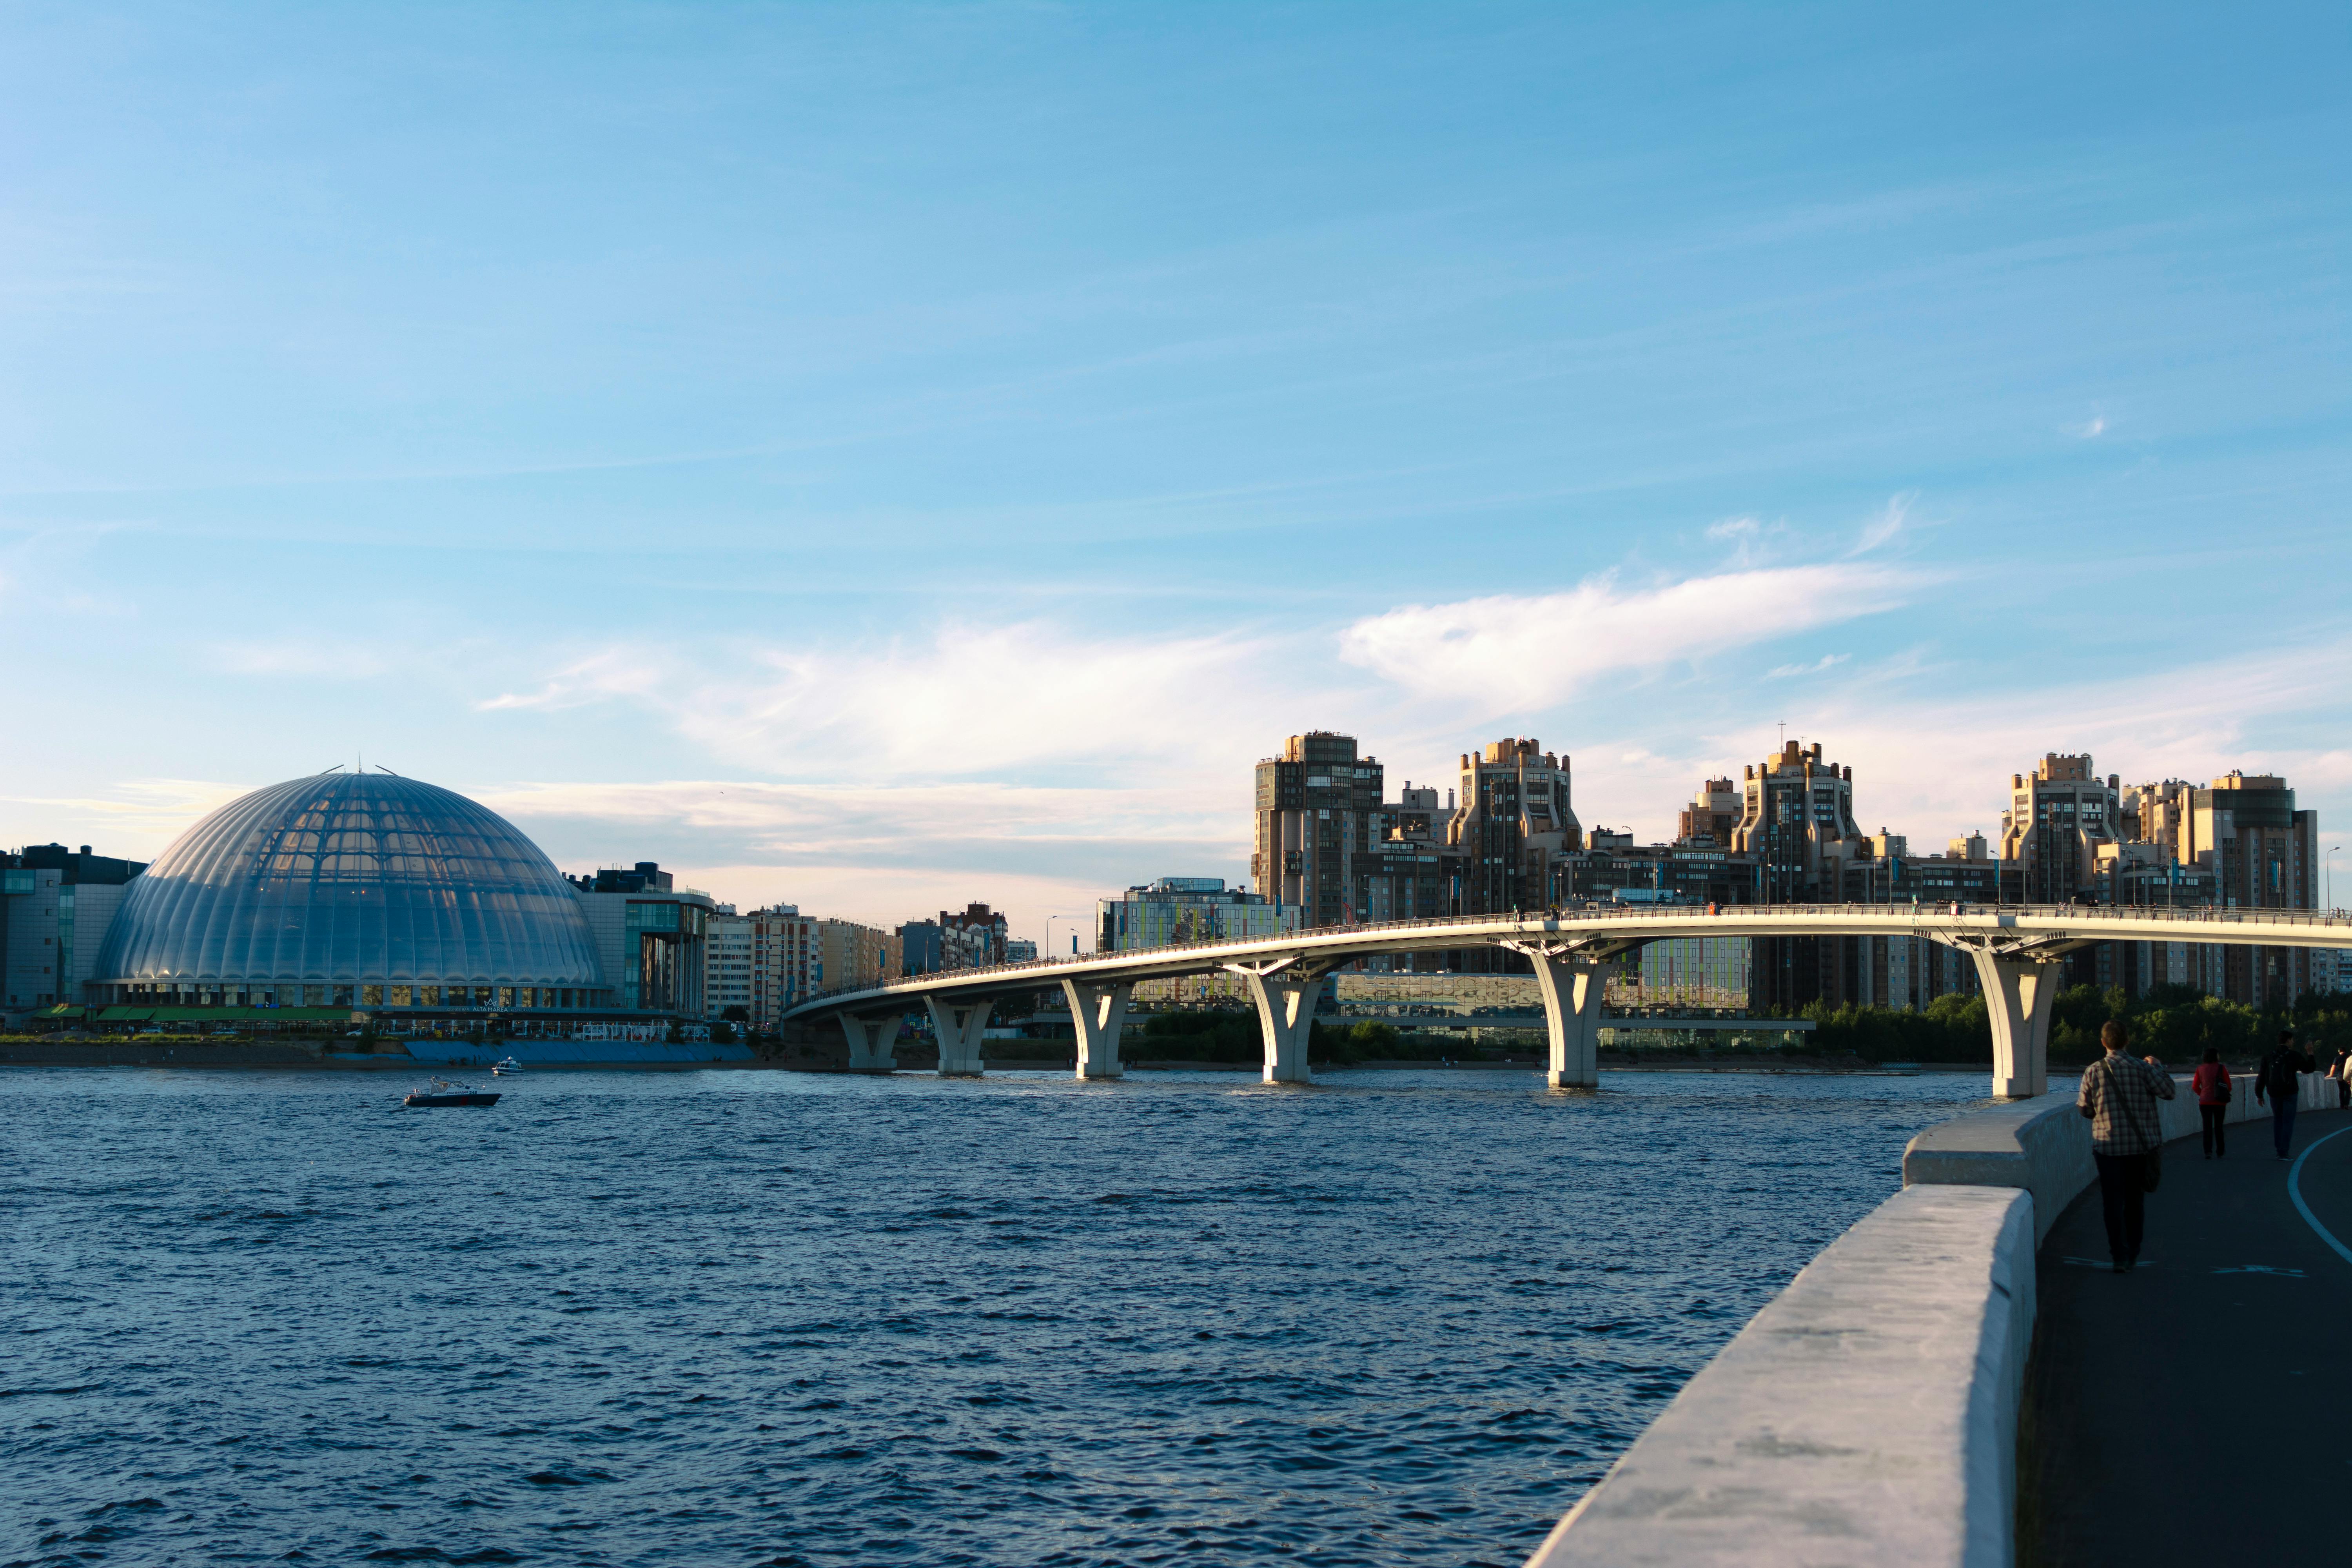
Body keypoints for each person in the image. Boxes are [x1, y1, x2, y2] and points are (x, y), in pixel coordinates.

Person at [2077, 1018, 2175, 1273]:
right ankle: (2133, 1252)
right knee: (2134, 1202)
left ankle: (2117, 1256)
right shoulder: (2142, 1068)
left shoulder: (2093, 1071)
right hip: (2138, 1149)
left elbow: (2085, 1110)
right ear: (2127, 1041)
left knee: (2112, 1203)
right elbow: (2169, 1092)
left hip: (2107, 1148)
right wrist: (2159, 1067)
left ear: (2103, 1043)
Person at [2255, 1029, 2318, 1161]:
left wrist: (2259, 1095)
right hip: (2290, 1093)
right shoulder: (2294, 1055)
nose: (2293, 1042)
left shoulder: (2268, 1056)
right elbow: (2308, 1069)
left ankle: (2279, 1150)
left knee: (2278, 1120)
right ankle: (2284, 1152)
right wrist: (2310, 1053)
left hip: (2274, 1093)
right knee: (2288, 1122)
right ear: (2289, 1040)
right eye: (2292, 1040)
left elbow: (2262, 1077)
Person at [2190, 1047, 2232, 1159]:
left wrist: (2203, 1094)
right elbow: (2229, 1086)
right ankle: (2220, 1152)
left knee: (2207, 1127)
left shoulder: (2200, 1069)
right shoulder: (2221, 1068)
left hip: (2205, 1103)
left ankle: (2208, 1152)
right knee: (2219, 1127)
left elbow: (2195, 1087)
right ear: (2216, 1056)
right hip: (2219, 1103)